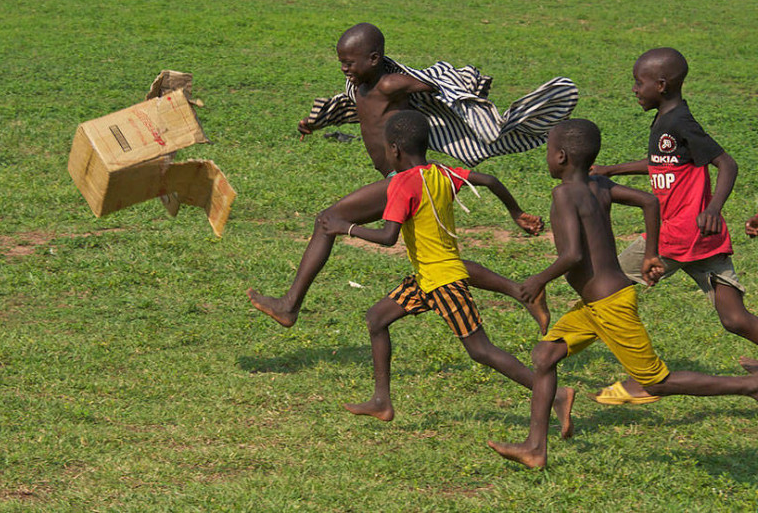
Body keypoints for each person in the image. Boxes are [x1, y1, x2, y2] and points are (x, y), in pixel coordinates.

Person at [248, 23, 578, 330]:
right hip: (406, 176)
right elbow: (364, 114)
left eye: (350, 62)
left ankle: (290, 305)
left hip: (402, 178)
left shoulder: (391, 83)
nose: (344, 68)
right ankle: (523, 291)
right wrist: (317, 122)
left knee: (327, 220)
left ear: (375, 59)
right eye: (341, 62)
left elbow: (435, 86)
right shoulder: (359, 84)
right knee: (441, 263)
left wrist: (464, 88)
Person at [487, 118, 758, 469]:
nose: (548, 159)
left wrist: (538, 280)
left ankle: (749, 386)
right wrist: (650, 253)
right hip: (596, 304)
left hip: (609, 305)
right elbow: (649, 201)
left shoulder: (563, 194)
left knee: (657, 382)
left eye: (550, 152)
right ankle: (535, 448)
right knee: (544, 357)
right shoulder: (600, 185)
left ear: (562, 157)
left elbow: (572, 255)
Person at [319, 110, 575, 429]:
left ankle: (557, 395)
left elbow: (388, 237)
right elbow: (490, 180)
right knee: (376, 318)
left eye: (386, 148)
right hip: (426, 279)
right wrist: (516, 212)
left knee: (481, 350)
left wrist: (347, 227)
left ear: (395, 149)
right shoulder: (441, 173)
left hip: (442, 281)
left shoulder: (401, 184)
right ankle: (381, 402)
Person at [590, 47, 758, 405]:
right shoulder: (667, 120)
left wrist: (714, 207)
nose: (635, 89)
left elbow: (727, 164)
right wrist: (611, 170)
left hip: (679, 234)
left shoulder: (681, 121)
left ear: (662, 85)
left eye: (639, 82)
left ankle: (637, 376)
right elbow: (661, 163)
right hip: (700, 239)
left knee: (605, 287)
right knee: (734, 319)